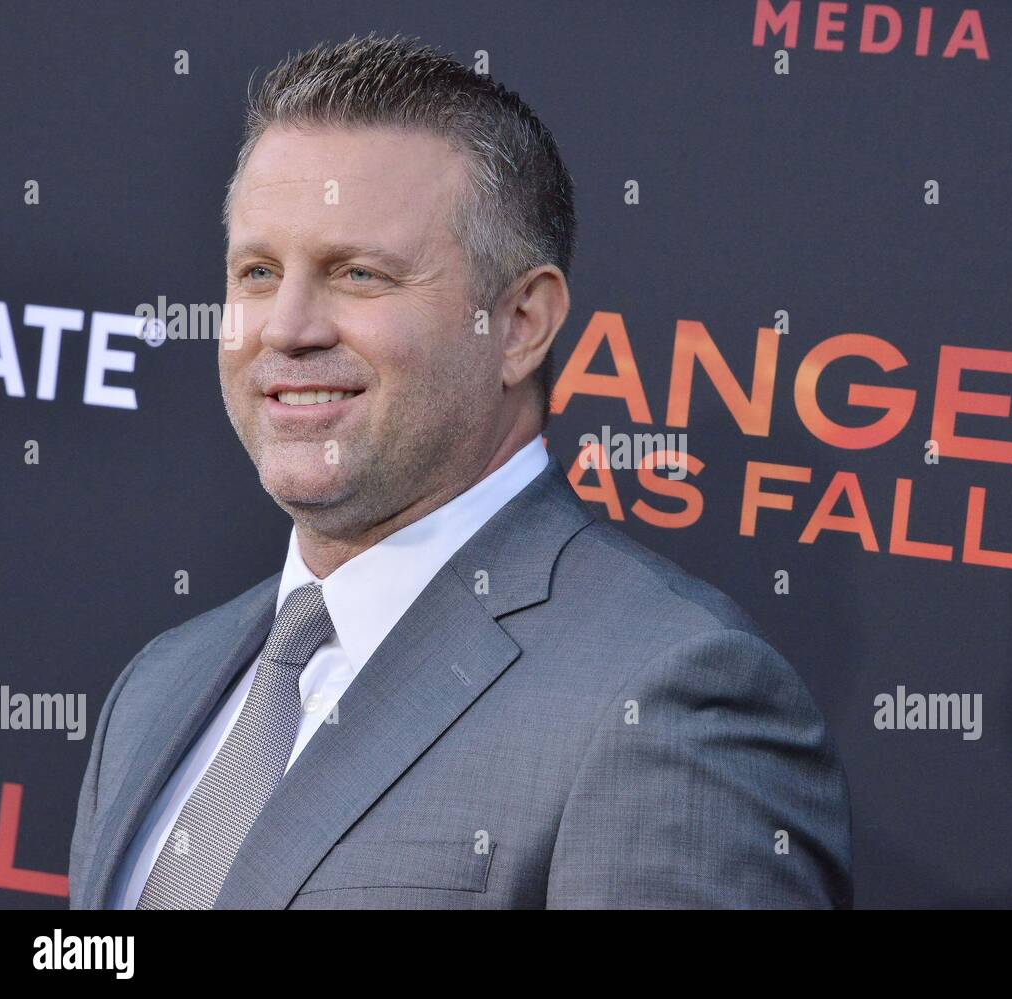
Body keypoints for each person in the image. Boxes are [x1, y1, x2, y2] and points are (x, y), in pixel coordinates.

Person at [68, 32, 853, 909]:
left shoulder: (667, 699)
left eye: (359, 273)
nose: (285, 327)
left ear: (520, 323)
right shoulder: (157, 687)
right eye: (256, 272)